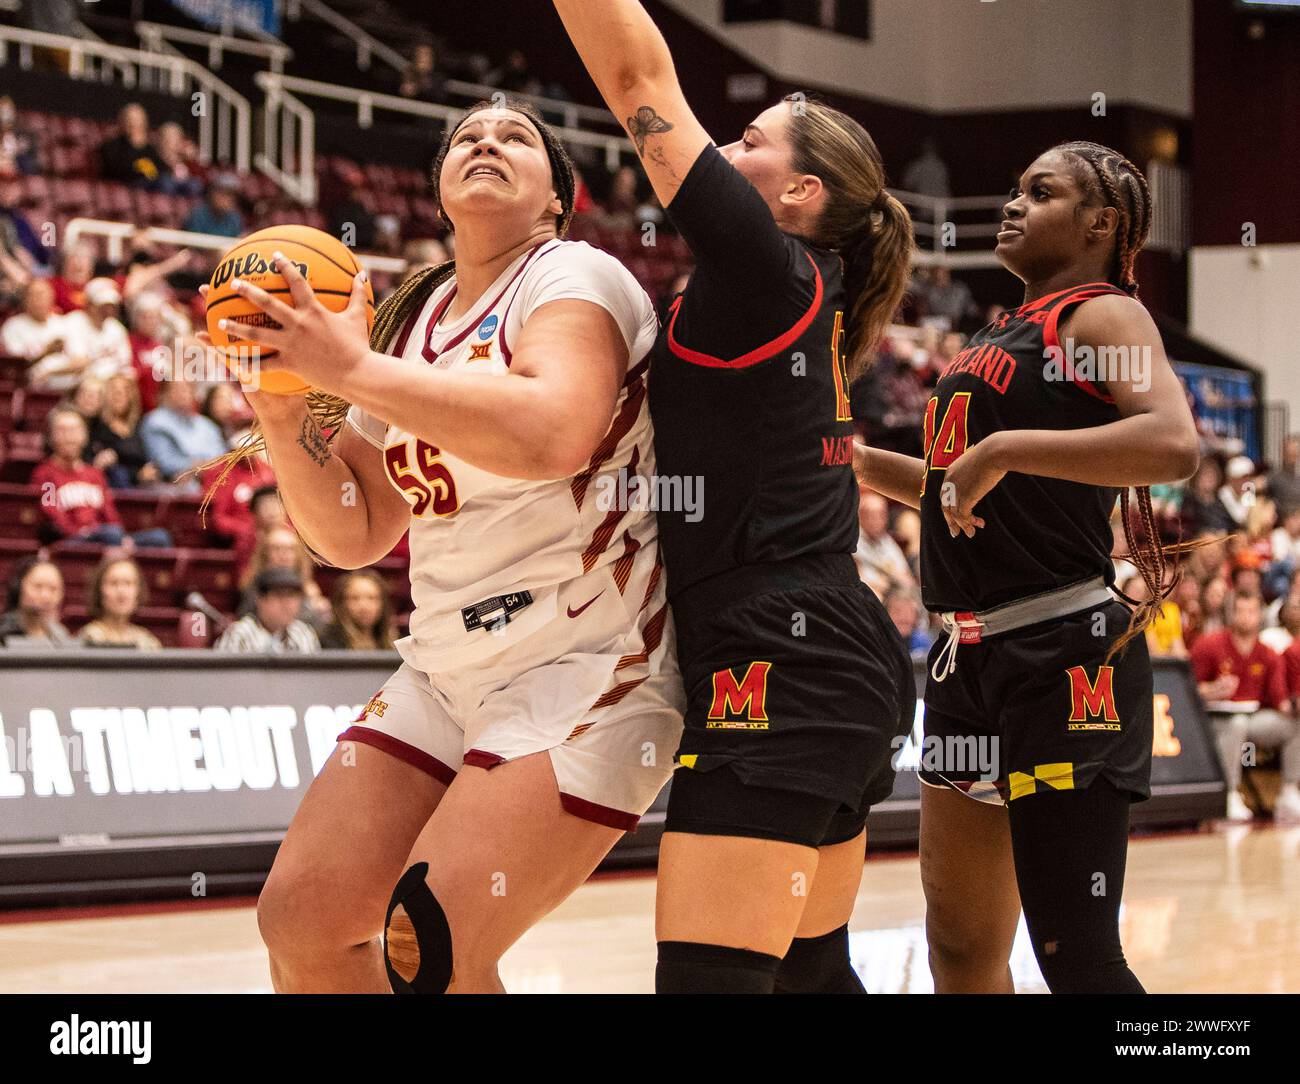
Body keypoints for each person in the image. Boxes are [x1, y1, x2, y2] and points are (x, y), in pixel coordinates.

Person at [202, 96, 683, 994]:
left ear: (556, 201)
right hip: (446, 666)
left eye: (516, 137)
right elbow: (353, 530)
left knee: (432, 942)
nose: (486, 140)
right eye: (466, 135)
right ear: (438, 191)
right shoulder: (416, 319)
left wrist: (345, 369)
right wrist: (277, 403)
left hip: (587, 662)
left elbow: (552, 433)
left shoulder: (576, 274)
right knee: (303, 923)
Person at [554, 0, 916, 994]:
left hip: (784, 663)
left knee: (711, 983)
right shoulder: (791, 284)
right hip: (824, 653)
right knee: (809, 978)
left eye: (747, 140)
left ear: (797, 191)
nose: (719, 147)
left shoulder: (766, 268)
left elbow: (638, 85)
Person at [856, 141, 1200, 993]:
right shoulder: (994, 334)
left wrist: (1004, 448)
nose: (1011, 203)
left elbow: (1174, 442)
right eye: (1014, 188)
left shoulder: (1101, 316)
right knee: (964, 951)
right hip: (964, 661)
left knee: (1075, 957)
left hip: (1064, 656)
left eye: (1038, 192)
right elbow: (952, 492)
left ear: (1099, 223)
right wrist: (856, 462)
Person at [1192, 592, 1300, 823]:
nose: (1245, 618)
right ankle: (1229, 793)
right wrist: (1212, 690)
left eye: (1251, 612)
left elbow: (1279, 701)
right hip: (1216, 718)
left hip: (1253, 718)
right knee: (1236, 723)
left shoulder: (1267, 653)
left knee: (1293, 724)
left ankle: (1289, 791)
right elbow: (1188, 689)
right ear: (1231, 614)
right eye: (1240, 611)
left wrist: (1293, 705)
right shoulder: (1209, 644)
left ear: (1260, 615)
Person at [31, 407, 173, 548]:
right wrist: (79, 533)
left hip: (105, 537)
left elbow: (109, 512)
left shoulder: (95, 474)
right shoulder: (44, 474)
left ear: (84, 436)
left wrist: (122, 538)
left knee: (160, 537)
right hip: (72, 541)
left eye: (74, 431)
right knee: (110, 535)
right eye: (62, 431)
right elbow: (50, 514)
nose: (69, 437)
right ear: (51, 437)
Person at [140, 378, 229, 484]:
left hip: (213, 482)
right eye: (179, 389)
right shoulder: (155, 422)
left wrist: (201, 467)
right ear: (166, 393)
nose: (185, 393)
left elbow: (222, 459)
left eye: (189, 388)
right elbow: (164, 463)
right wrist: (198, 466)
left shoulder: (208, 425)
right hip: (173, 485)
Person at [237, 525, 330, 628]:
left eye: (290, 549)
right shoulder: (253, 585)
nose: (283, 554)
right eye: (276, 549)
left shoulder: (308, 585)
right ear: (265, 554)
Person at [214, 567, 321, 654]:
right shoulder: (238, 634)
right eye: (280, 595)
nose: (287, 603)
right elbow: (225, 679)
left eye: (293, 596)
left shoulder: (304, 633)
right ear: (260, 599)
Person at [88, 372, 162, 488]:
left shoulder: (139, 427)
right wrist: (136, 475)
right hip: (112, 485)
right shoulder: (95, 426)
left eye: (125, 390)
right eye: (113, 390)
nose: (119, 394)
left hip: (145, 486)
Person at [56, 277, 133, 387]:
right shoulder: (74, 322)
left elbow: (124, 365)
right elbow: (78, 363)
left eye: (112, 306)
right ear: (89, 304)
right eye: (102, 305)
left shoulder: (116, 328)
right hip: (81, 386)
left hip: (111, 386)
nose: (108, 310)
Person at [78, 556, 162, 649]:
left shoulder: (147, 641)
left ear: (139, 591)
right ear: (99, 591)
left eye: (128, 583)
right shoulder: (88, 638)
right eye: (113, 583)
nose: (121, 591)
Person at [853, 488, 914, 599]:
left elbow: (906, 576)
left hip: (894, 594)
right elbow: (856, 578)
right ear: (861, 517)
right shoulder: (852, 541)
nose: (880, 520)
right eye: (873, 515)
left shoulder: (886, 540)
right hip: (867, 594)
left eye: (883, 515)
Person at [2, 279, 68, 382]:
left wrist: (54, 372)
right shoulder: (13, 326)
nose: (39, 299)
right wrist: (46, 352)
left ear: (52, 297)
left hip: (66, 381)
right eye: (34, 295)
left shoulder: (62, 323)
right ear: (25, 299)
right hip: (31, 382)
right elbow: (17, 365)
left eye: (43, 294)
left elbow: (81, 358)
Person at [0, 557, 73, 646]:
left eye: (53, 589)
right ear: (18, 588)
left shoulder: (60, 633)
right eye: (38, 587)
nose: (46, 596)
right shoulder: (3, 631)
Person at [319, 570, 398, 650]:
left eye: (372, 598)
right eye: (355, 598)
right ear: (342, 603)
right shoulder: (328, 642)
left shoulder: (395, 641)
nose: (364, 607)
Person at [98, 104, 164, 188]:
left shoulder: (150, 149)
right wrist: (140, 167)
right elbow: (116, 170)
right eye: (129, 120)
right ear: (121, 122)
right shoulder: (111, 146)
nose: (133, 124)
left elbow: (160, 170)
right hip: (126, 187)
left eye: (137, 120)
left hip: (153, 185)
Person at [182, 173, 244, 237]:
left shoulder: (235, 218)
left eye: (231, 196)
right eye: (223, 194)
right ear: (213, 194)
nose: (227, 200)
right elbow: (194, 243)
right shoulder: (198, 215)